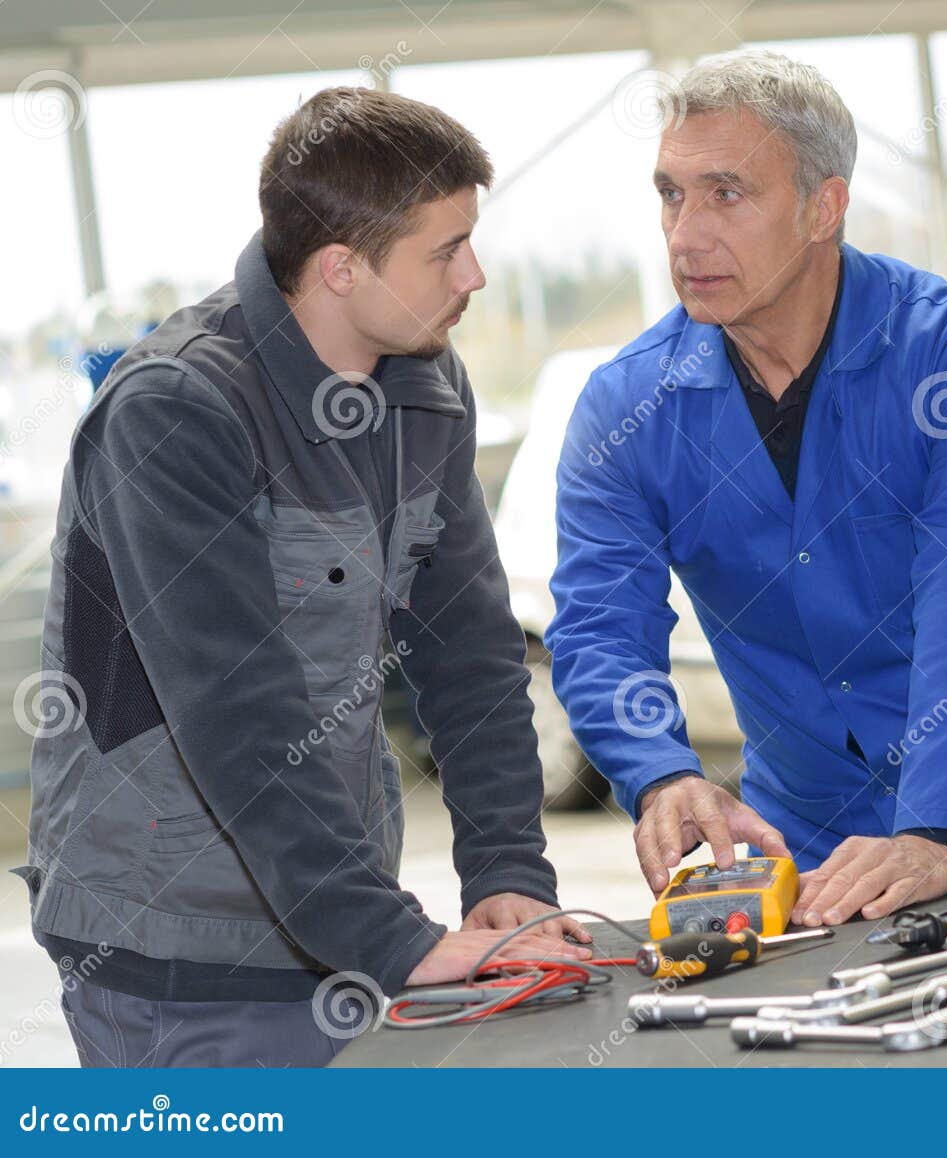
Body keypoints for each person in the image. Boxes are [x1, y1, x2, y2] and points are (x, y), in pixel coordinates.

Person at [545, 49, 947, 1066]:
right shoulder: (628, 408)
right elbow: (598, 622)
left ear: (821, 206)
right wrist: (658, 773)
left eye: (726, 194)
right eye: (669, 195)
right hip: (806, 825)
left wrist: (937, 826)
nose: (686, 232)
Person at [15, 86, 590, 1068]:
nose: (477, 273)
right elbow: (241, 714)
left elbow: (470, 651)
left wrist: (505, 870)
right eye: (445, 250)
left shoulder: (424, 383)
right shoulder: (174, 412)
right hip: (175, 955)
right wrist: (397, 943)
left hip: (339, 924)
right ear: (340, 267)